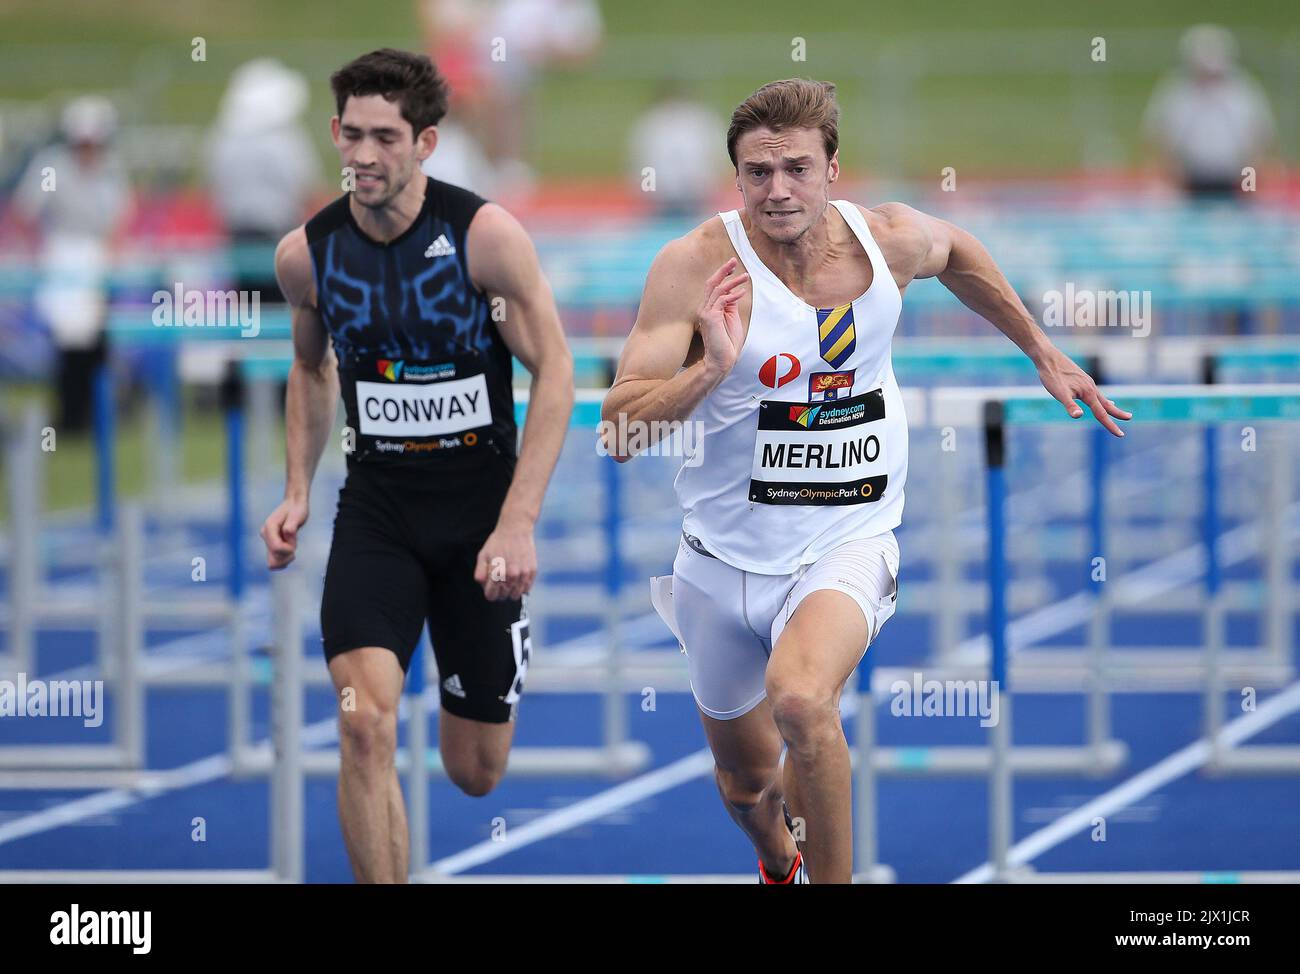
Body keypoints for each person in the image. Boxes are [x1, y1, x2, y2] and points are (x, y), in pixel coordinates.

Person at [602, 78, 1129, 884]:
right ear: (735, 177)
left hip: (845, 538)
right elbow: (620, 431)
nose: (777, 191)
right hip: (718, 559)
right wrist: (711, 366)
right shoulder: (695, 269)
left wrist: (1042, 350)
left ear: (832, 169)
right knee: (746, 785)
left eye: (797, 170)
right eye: (757, 173)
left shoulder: (888, 240)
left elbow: (961, 253)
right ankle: (779, 855)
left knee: (804, 701)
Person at [258, 48, 574, 883]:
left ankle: (493, 666)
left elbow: (558, 372)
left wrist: (518, 521)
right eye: (351, 135)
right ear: (333, 132)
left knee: (476, 773)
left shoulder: (484, 237)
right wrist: (296, 488)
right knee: (363, 725)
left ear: (426, 143)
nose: (363, 156)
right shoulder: (308, 255)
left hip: (480, 520)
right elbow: (310, 367)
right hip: (378, 514)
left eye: (385, 138)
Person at [12, 95, 130, 432]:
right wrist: (39, 253)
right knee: (68, 339)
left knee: (95, 339)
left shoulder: (111, 170)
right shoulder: (52, 166)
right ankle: (71, 414)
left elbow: (118, 220)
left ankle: (95, 414)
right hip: (62, 254)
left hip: (97, 259)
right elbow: (26, 211)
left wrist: (110, 256)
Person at [1143, 24, 1276, 198]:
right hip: (1188, 180)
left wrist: (1251, 179)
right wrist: (1171, 174)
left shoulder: (1243, 92)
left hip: (1233, 179)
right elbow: (1158, 135)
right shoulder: (1175, 92)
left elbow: (1260, 137)